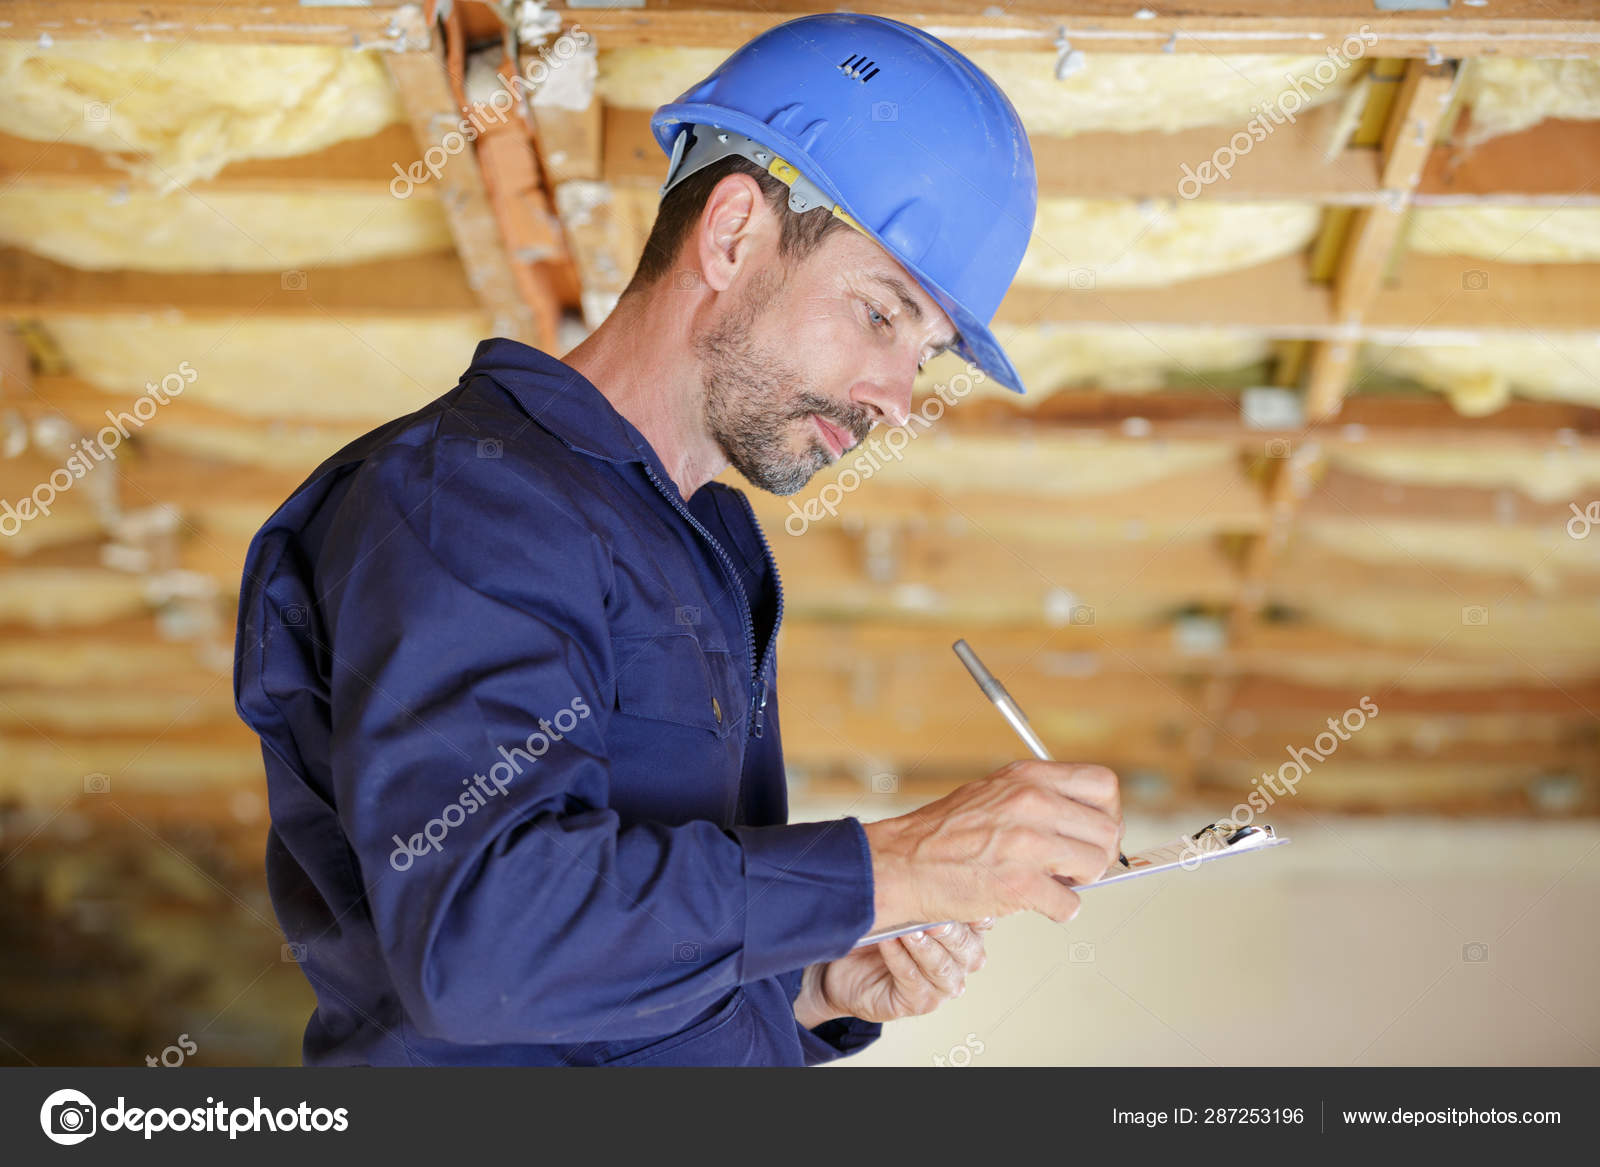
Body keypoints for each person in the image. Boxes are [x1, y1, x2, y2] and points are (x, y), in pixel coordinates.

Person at [234, 13, 1123, 1067]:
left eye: (926, 357)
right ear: (735, 230)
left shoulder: (705, 552)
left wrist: (803, 986)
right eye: (884, 316)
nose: (896, 397)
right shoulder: (465, 499)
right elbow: (485, 942)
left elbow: (603, 982)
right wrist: (897, 865)